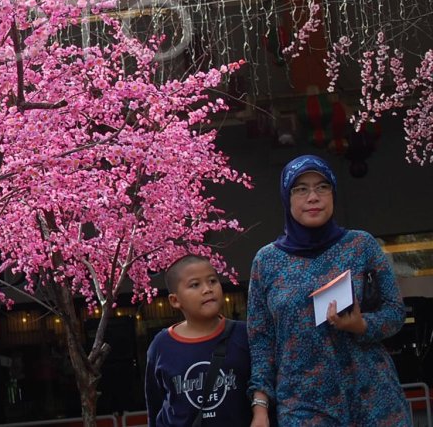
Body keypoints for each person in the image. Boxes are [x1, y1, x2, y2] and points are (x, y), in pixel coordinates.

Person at [247, 154, 409, 426]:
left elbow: (395, 313)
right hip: (303, 405)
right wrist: (261, 407)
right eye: (301, 189)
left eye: (322, 187)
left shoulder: (361, 245)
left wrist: (361, 325)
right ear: (287, 198)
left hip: (372, 397)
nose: (313, 197)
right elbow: (261, 342)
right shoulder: (266, 261)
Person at [145, 254, 252, 426]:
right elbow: (154, 403)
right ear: (174, 300)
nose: (207, 289)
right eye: (195, 285)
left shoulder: (244, 334)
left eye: (212, 281)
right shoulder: (161, 345)